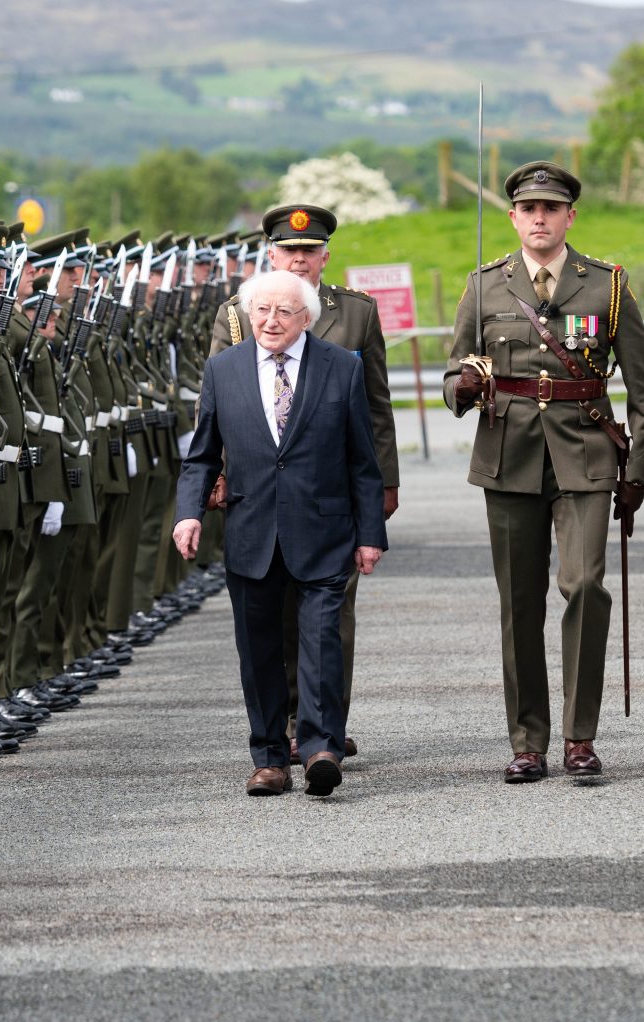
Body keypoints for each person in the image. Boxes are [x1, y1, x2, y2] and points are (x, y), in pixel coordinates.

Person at [443, 161, 644, 784]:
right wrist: (466, 381)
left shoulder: (608, 286)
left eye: (551, 208)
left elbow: (643, 390)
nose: (539, 218)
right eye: (528, 209)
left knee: (586, 586)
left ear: (570, 216)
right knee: (518, 602)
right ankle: (528, 741)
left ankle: (579, 737)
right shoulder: (484, 285)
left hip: (587, 456)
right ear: (512, 217)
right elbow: (452, 371)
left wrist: (638, 471)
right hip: (508, 457)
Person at [174, 269, 386, 798]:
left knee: (321, 643)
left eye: (284, 311)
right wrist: (189, 513)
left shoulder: (340, 368)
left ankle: (320, 749)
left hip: (324, 530)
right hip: (251, 531)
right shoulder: (224, 369)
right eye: (261, 310)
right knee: (260, 652)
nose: (270, 321)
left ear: (307, 319)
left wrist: (370, 533)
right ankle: (269, 758)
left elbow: (364, 460)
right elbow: (201, 454)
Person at [210, 204, 399, 759]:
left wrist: (385, 480)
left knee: (332, 609)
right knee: (277, 609)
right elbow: (223, 404)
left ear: (324, 256)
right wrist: (219, 475)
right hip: (264, 489)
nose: (298, 259)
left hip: (333, 489)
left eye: (308, 251)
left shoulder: (357, 313)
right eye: (288, 251)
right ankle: (292, 718)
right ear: (270, 254)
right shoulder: (241, 314)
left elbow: (376, 404)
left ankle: (325, 723)